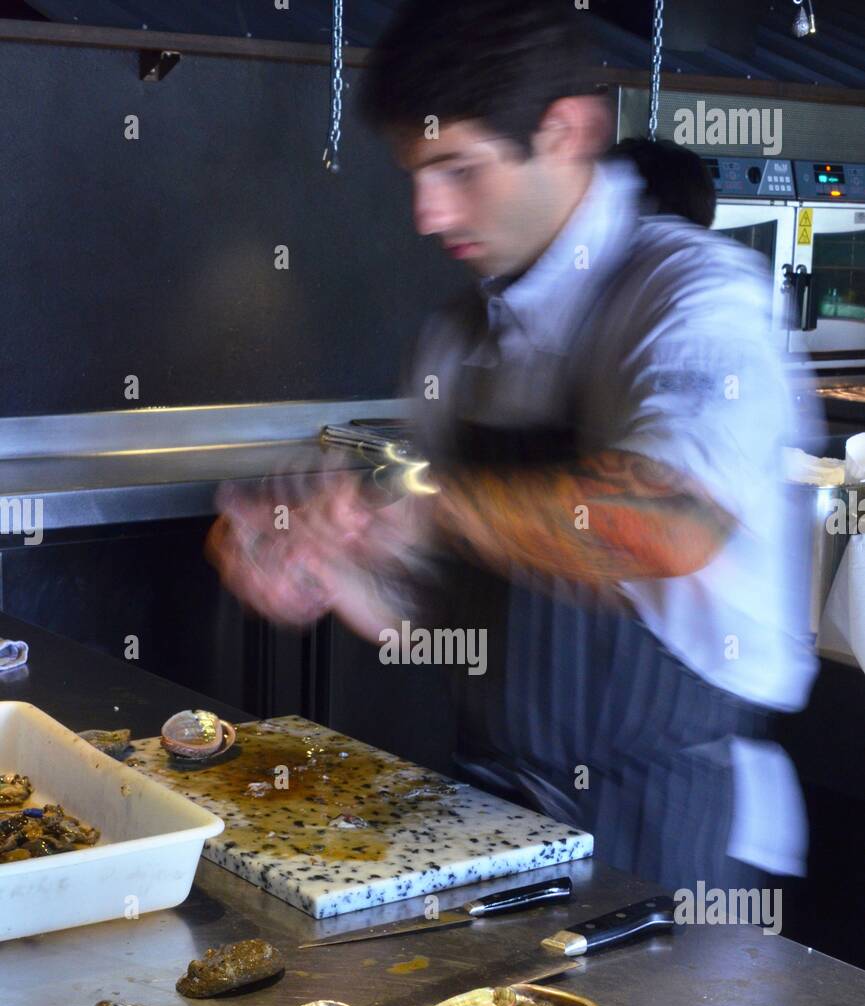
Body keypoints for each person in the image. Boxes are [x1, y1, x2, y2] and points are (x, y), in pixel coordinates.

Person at [208, 0, 817, 897]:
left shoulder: (692, 295)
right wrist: (336, 574)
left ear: (564, 131)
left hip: (670, 832)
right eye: (415, 174)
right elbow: (462, 625)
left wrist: (421, 502)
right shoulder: (457, 338)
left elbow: (668, 522)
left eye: (457, 169)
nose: (425, 213)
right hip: (492, 815)